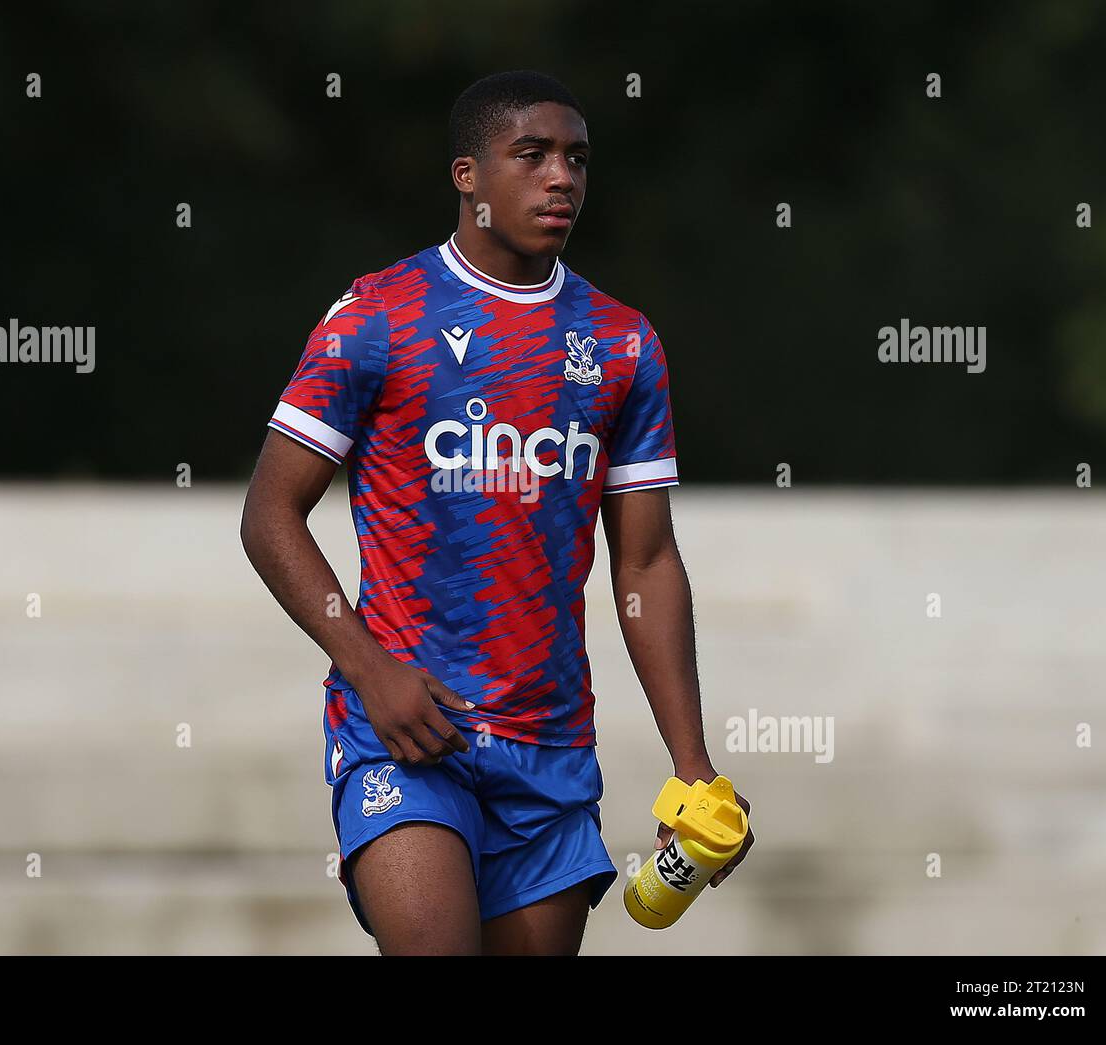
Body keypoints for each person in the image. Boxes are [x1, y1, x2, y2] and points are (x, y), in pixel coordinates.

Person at [241, 70, 753, 955]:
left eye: (578, 160)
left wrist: (693, 769)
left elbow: (646, 565)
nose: (562, 178)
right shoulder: (378, 316)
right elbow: (269, 515)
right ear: (467, 176)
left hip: (549, 749)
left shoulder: (624, 343)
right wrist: (368, 669)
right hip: (406, 727)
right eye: (533, 155)